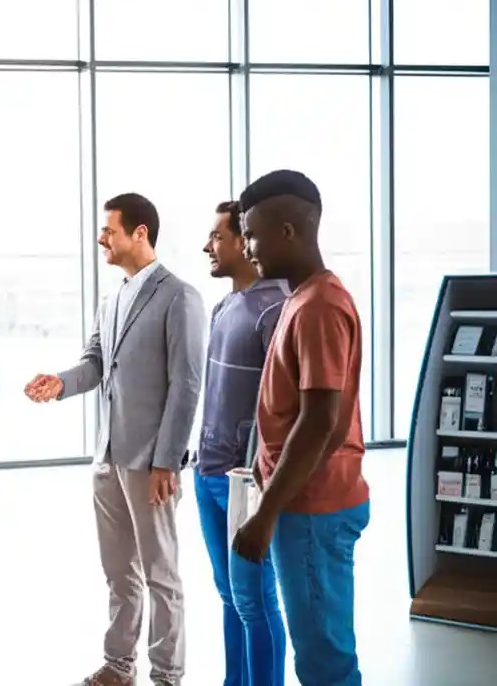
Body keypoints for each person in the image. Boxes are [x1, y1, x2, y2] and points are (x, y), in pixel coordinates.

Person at [26, 193, 205, 686]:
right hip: (108, 456)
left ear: (139, 233)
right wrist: (61, 383)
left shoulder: (179, 296)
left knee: (160, 575)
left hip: (151, 462)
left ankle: (167, 675)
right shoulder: (112, 300)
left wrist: (167, 461)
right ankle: (119, 666)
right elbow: (96, 363)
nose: (101, 238)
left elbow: (187, 383)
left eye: (109, 230)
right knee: (119, 572)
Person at [231, 170, 370, 686]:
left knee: (324, 662)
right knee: (317, 651)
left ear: (287, 231)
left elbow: (319, 423)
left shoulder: (319, 307)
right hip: (304, 503)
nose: (247, 248)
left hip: (313, 509)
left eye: (252, 235)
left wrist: (265, 514)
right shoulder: (302, 298)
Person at [196, 200, 289, 686]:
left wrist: (258, 476)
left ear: (244, 241)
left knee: (255, 600)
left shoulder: (276, 308)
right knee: (230, 596)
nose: (207, 246)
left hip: (244, 480)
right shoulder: (224, 306)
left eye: (217, 236)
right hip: (206, 472)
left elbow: (286, 405)